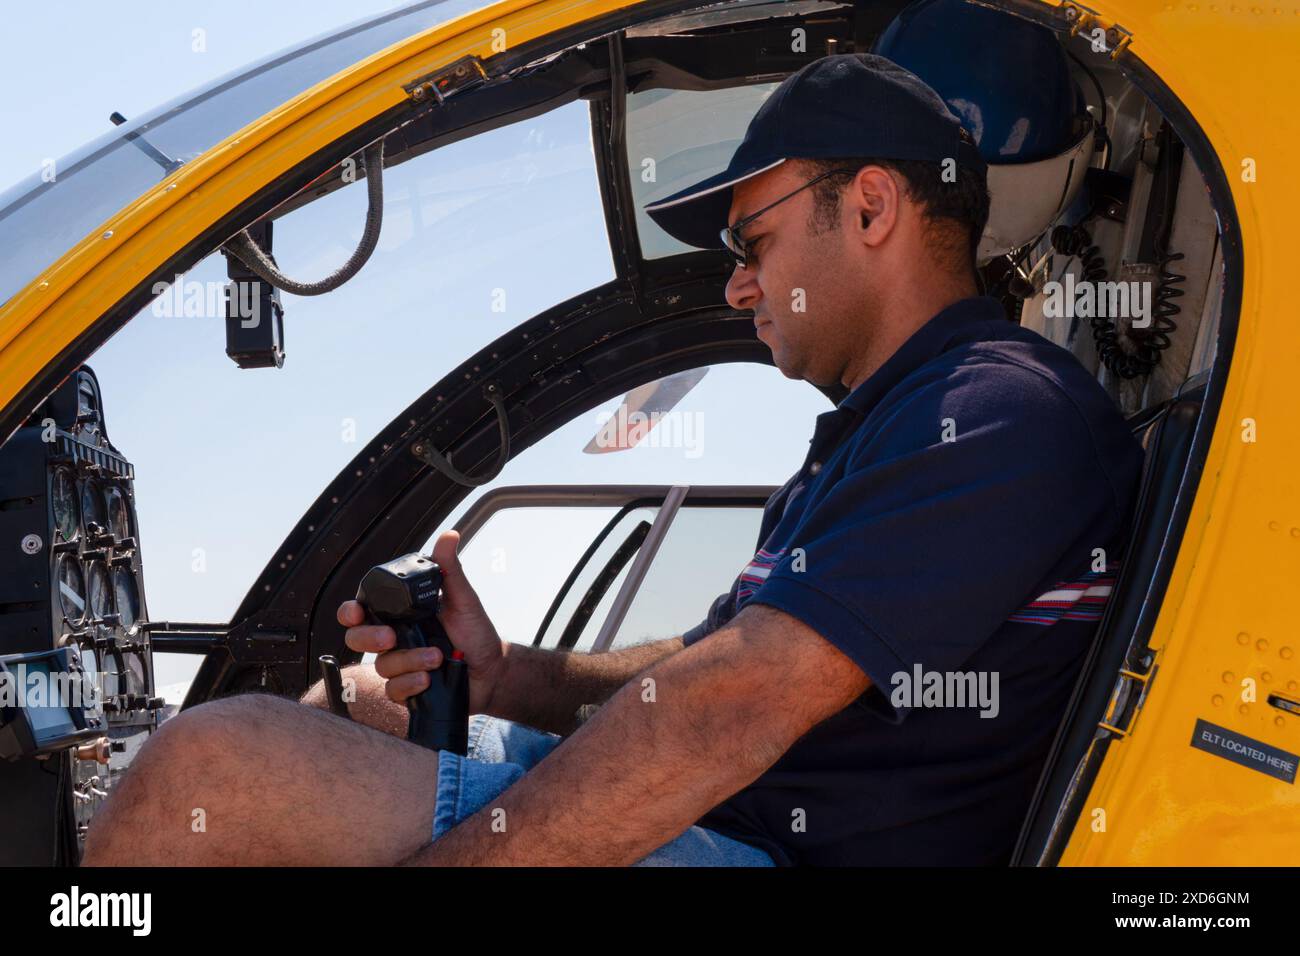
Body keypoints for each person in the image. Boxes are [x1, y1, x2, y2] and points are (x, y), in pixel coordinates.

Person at [82, 53, 1144, 867]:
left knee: (209, 766)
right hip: (731, 821)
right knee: (359, 698)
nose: (736, 286)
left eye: (751, 244)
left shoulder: (997, 412)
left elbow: (730, 702)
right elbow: (713, 654)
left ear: (869, 207)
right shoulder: (891, 424)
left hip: (771, 853)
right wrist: (510, 676)